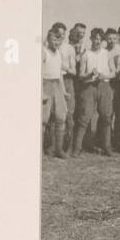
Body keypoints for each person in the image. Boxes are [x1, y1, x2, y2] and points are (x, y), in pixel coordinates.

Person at [70, 28, 113, 156]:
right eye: (95, 39)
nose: (97, 42)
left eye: (100, 39)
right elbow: (80, 75)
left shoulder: (107, 54)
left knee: (106, 117)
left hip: (104, 85)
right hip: (88, 87)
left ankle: (107, 147)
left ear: (102, 41)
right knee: (85, 117)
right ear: (91, 39)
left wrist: (103, 75)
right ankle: (76, 148)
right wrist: (89, 75)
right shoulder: (86, 54)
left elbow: (114, 72)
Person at [40, 26, 68, 158]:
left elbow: (60, 74)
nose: (57, 42)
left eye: (59, 40)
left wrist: (63, 91)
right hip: (46, 84)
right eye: (54, 39)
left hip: (57, 85)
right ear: (49, 38)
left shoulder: (59, 53)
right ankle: (40, 150)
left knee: (61, 118)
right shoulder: (43, 52)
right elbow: (38, 74)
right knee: (43, 120)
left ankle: (59, 150)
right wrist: (41, 93)